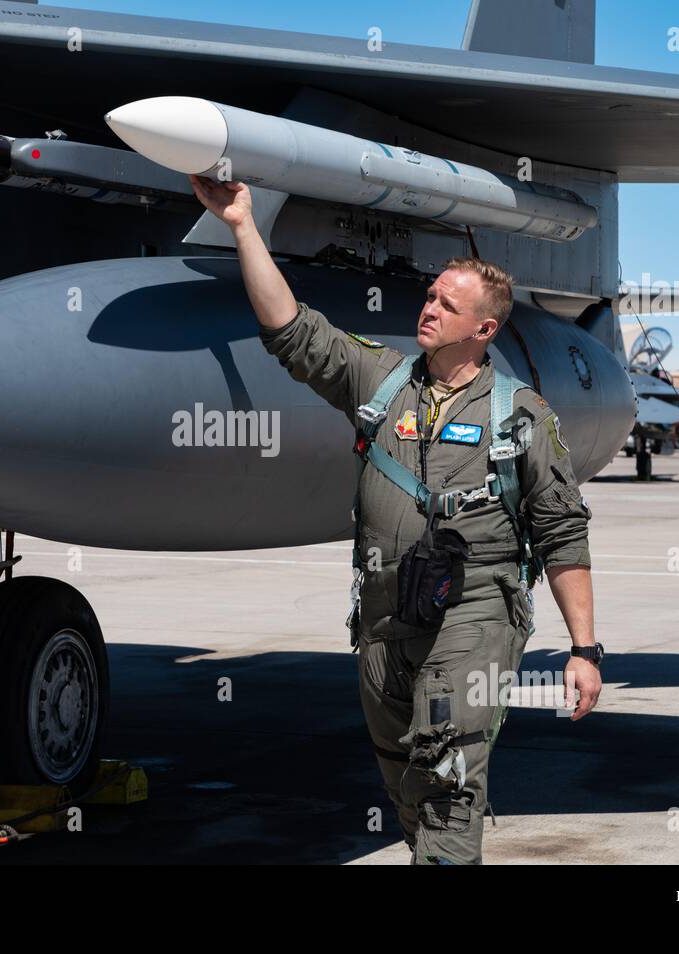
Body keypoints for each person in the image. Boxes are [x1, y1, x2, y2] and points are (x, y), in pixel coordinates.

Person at [190, 173, 603, 864]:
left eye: (449, 303)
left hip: (477, 610)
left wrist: (585, 649)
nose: (430, 308)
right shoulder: (380, 381)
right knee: (406, 781)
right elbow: (291, 332)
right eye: (431, 296)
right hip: (385, 614)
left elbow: (562, 532)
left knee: (446, 765)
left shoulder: (520, 416)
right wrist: (241, 226)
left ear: (485, 328)